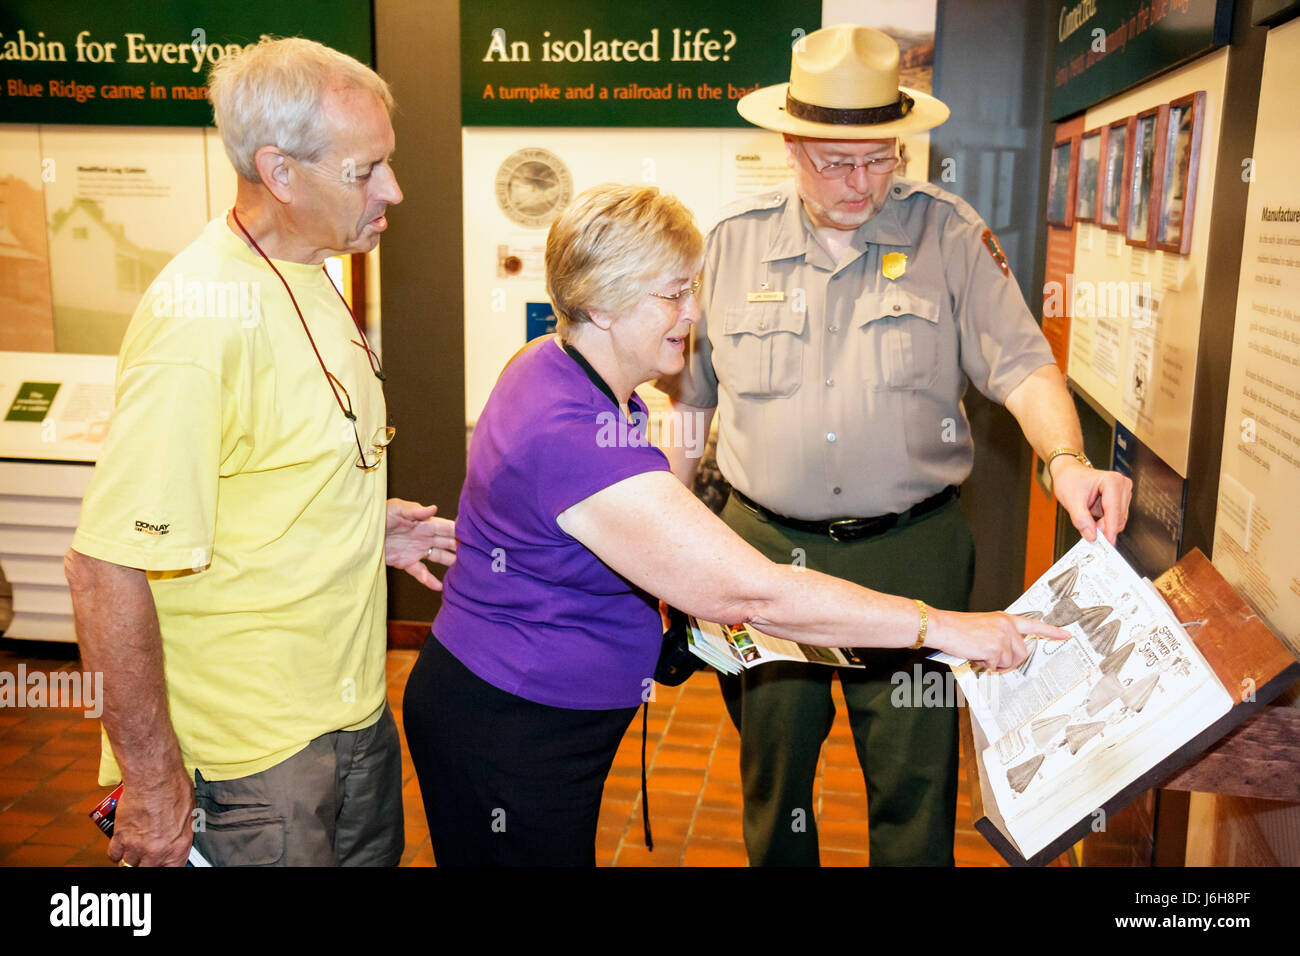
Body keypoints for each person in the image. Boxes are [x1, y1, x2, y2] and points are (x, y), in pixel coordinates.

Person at [401, 182, 1066, 867]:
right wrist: (953, 629)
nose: (693, 312)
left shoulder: (557, 369)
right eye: (671, 294)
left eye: (693, 288)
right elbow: (756, 594)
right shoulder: (576, 434)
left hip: (523, 712)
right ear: (601, 301)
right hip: (513, 728)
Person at [657, 24, 1134, 867]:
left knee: (916, 788)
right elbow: (688, 407)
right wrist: (667, 545)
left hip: (913, 552)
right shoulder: (727, 245)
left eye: (881, 158)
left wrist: (1065, 459)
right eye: (836, 160)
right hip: (766, 559)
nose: (860, 182)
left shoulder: (948, 235)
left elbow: (1021, 366)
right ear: (791, 144)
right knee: (776, 786)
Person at [64, 37, 457, 868]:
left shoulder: (312, 267)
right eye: (365, 171)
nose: (393, 189)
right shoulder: (199, 322)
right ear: (279, 172)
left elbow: (265, 475)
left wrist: (362, 527)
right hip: (251, 762)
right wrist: (154, 781)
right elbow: (103, 569)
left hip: (351, 717)